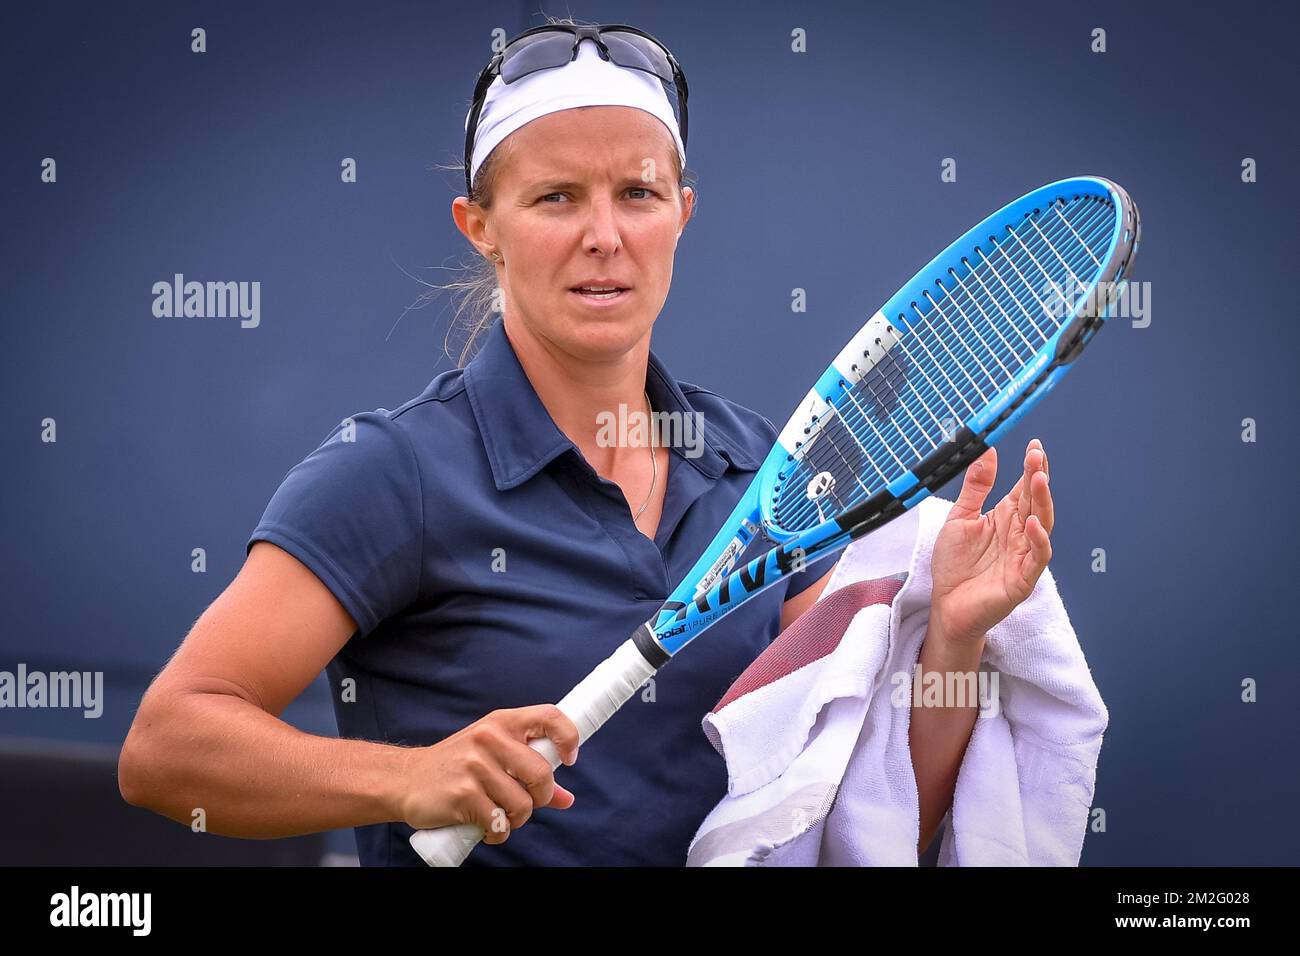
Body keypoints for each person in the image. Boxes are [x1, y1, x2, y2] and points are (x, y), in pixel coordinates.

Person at [117, 19, 1056, 866]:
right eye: (557, 198)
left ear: (682, 214)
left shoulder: (763, 468)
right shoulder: (389, 473)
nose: (604, 236)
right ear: (480, 227)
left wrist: (955, 643)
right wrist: (405, 781)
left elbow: (876, 819)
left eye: (637, 194)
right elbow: (166, 749)